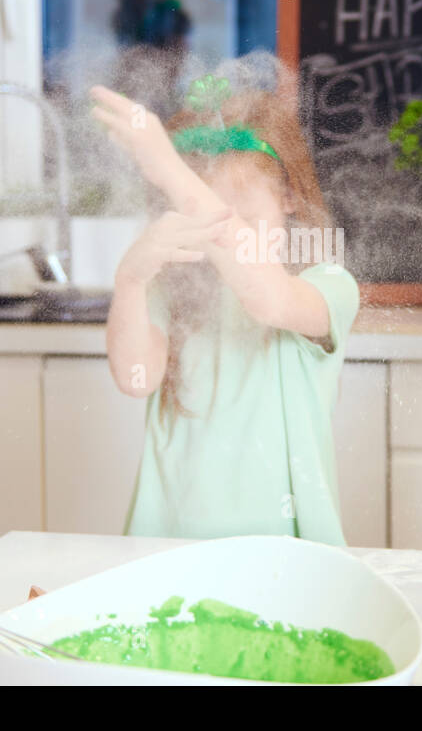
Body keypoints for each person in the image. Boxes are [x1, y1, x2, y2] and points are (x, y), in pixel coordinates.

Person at [91, 82, 359, 544]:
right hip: (169, 547)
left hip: (286, 557)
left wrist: (171, 169)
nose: (220, 217)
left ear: (288, 196)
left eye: (236, 201)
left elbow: (266, 297)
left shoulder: (328, 284)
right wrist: (131, 280)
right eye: (201, 199)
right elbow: (134, 379)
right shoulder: (174, 292)